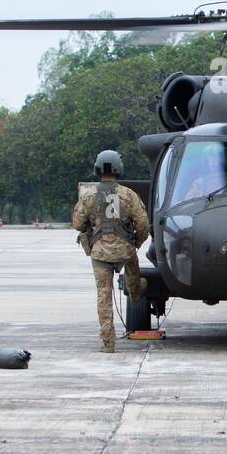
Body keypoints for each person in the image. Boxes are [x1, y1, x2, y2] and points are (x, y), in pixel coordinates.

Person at [72, 149, 151, 353]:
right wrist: (137, 243)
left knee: (104, 296)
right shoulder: (128, 195)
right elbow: (142, 224)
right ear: (118, 169)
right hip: (125, 251)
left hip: (99, 253)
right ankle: (135, 292)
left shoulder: (89, 195)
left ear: (98, 169)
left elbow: (78, 223)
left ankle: (108, 343)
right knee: (135, 279)